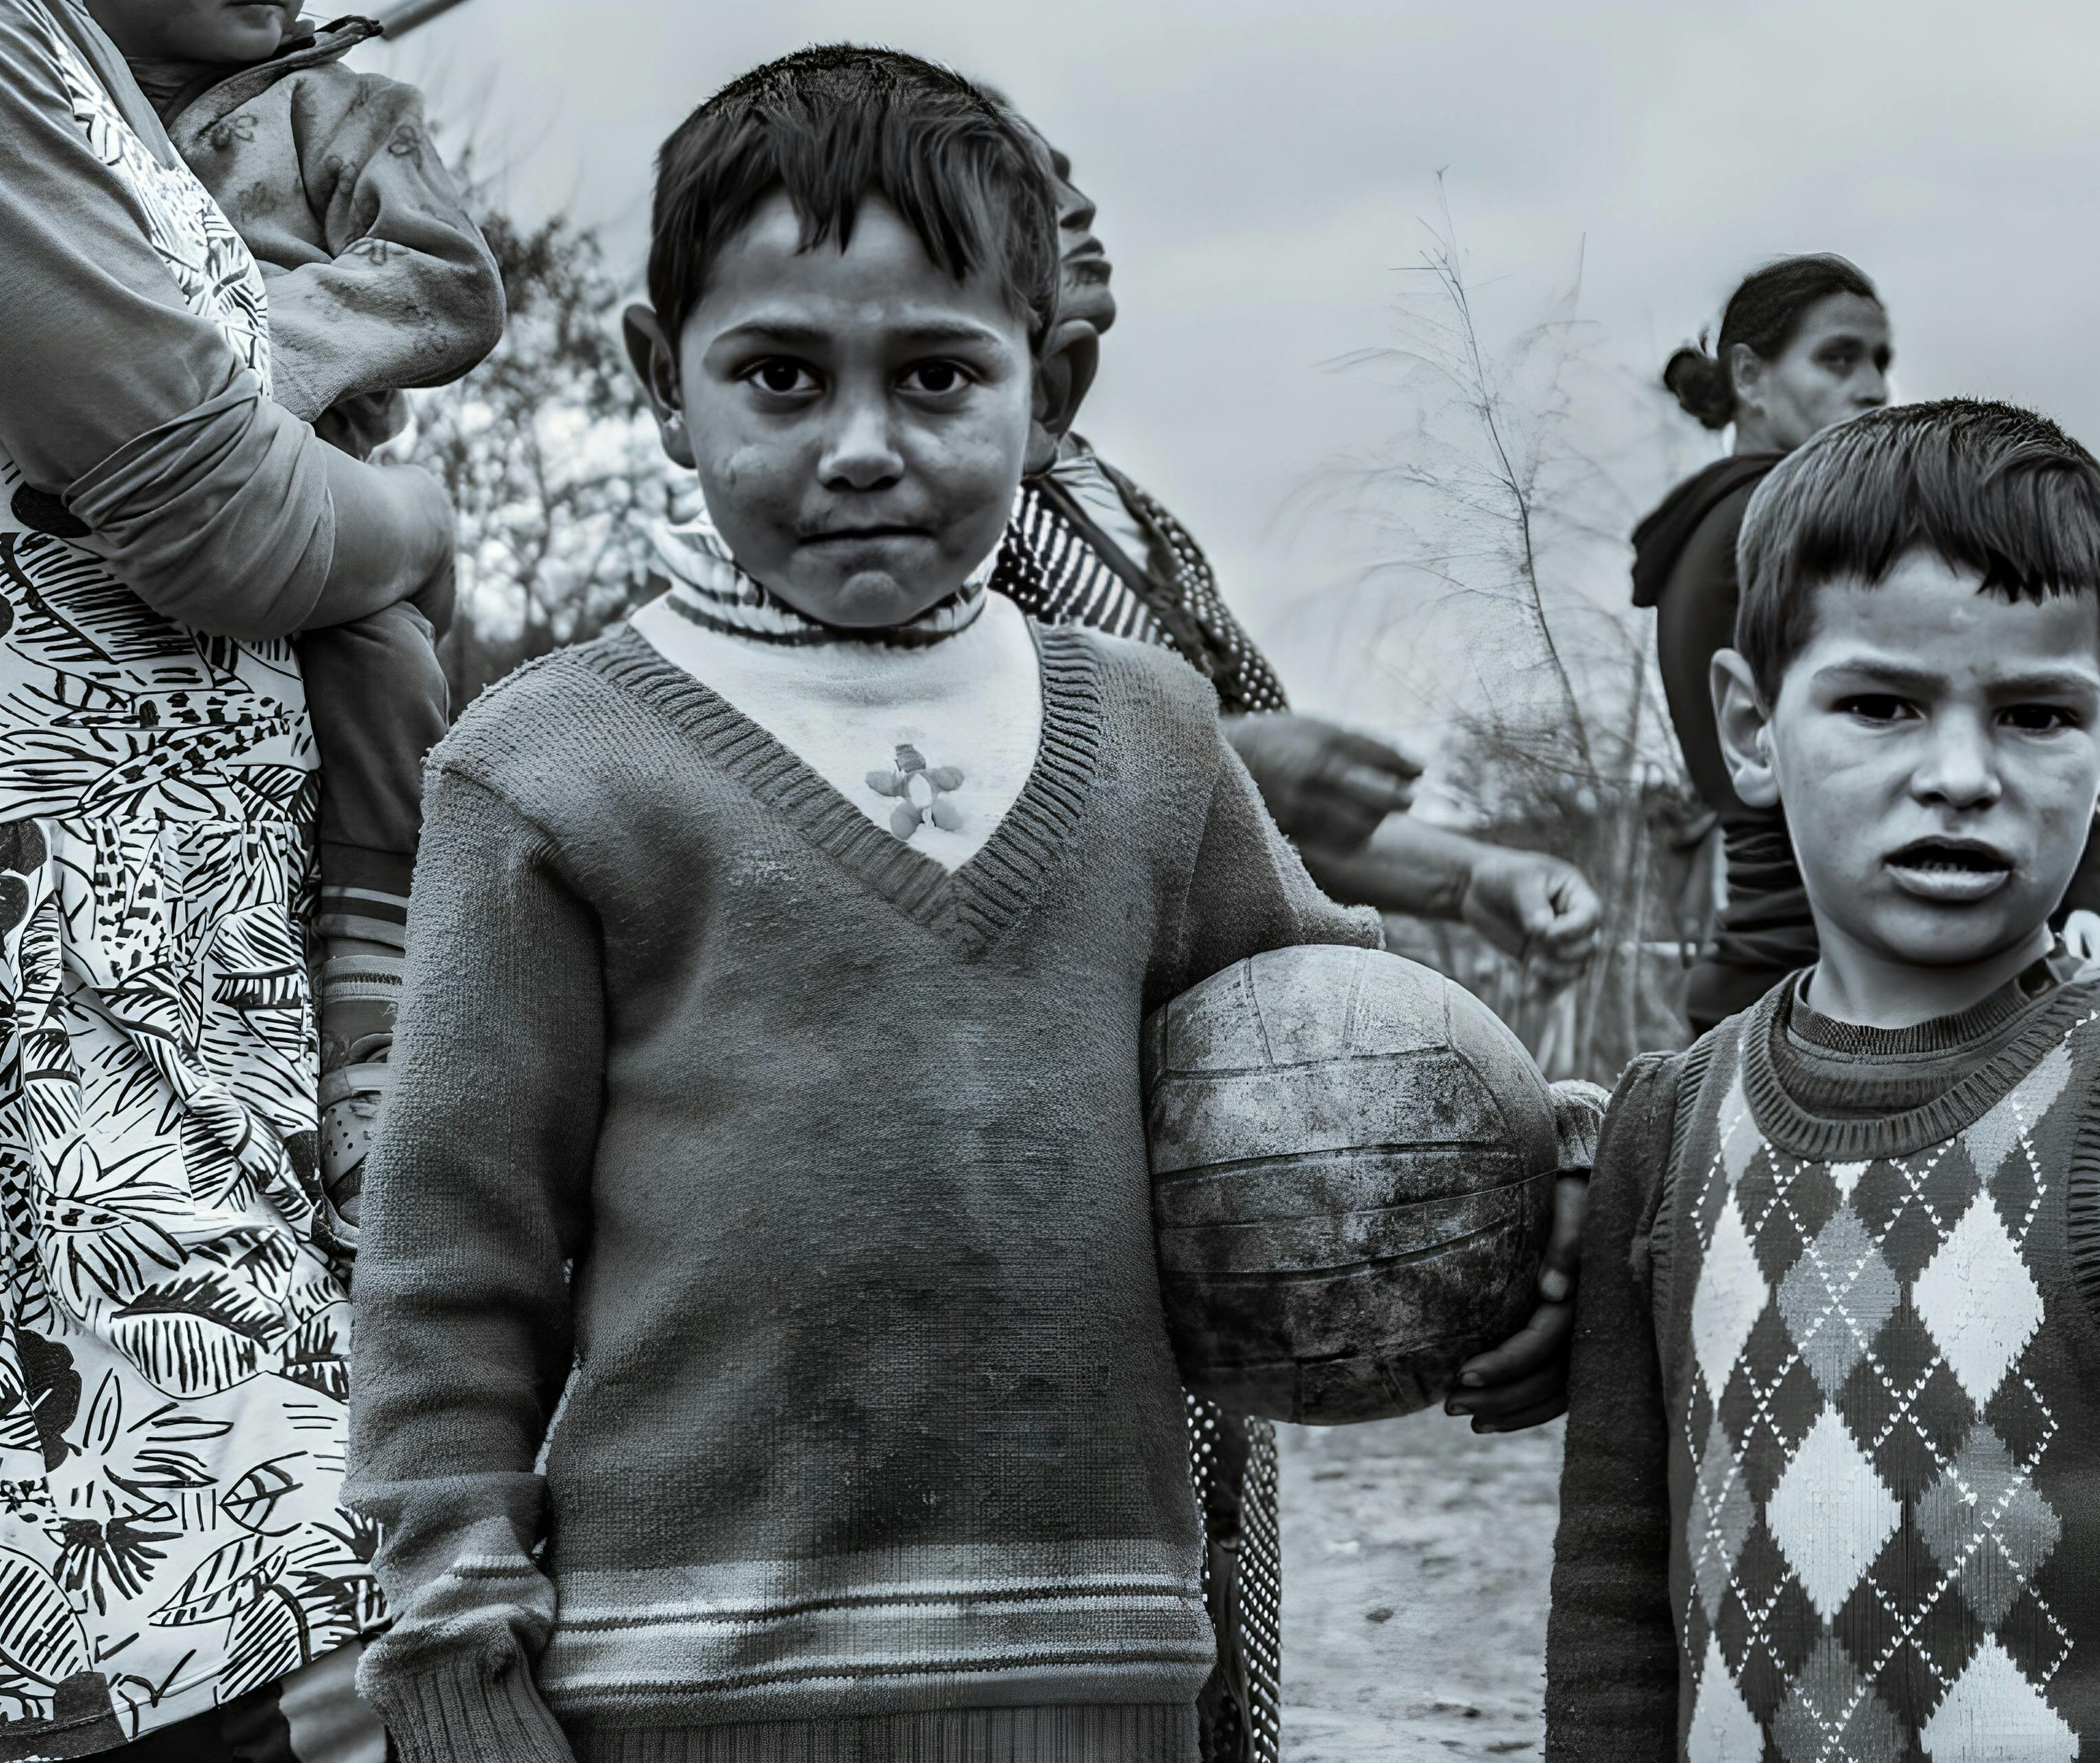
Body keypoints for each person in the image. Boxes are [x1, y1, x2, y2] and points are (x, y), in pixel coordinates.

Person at [342, 46, 1393, 1761]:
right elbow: (451, 1255)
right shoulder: (545, 766)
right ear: (658, 381)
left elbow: (1339, 1052)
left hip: (1100, 1662)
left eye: (933, 377)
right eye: (776, 374)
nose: (858, 446)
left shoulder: (1146, 734)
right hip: (683, 1685)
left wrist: (1570, 1161)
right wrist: (455, 1632)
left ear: (1042, 390)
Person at [1546, 400, 2100, 1759]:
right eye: (1880, 704)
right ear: (1749, 724)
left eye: (2033, 714)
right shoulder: (1671, 1129)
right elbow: (1611, 1585)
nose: (1960, 775)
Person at [988, 108, 1608, 1763]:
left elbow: (1276, 808)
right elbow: (979, 791)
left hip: (1217, 1157)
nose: (1086, 211)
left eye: (1085, 186)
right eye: (1042, 197)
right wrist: (1219, 766)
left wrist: (1473, 873)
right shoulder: (919, 524)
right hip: (1042, 1153)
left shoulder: (1128, 518)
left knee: (1205, 1582)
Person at [0, 0, 457, 1753]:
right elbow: (226, 522)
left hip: (172, 1005)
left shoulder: (123, 76)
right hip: (64, 1047)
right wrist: (405, 527)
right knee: (263, 1649)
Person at [86, 0, 506, 1259]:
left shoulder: (338, 107)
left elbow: (447, 273)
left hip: (315, 495)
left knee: (389, 683)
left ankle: (375, 1039)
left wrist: (253, 353)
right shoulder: (63, 112)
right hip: (104, 551)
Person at [1639, 259, 2100, 1034]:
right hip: (1868, 987)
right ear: (1750, 377)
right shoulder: (1787, 537)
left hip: (1759, 984)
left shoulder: (1694, 538)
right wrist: (2086, 892)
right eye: (1839, 358)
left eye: (1881, 361)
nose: (1873, 388)